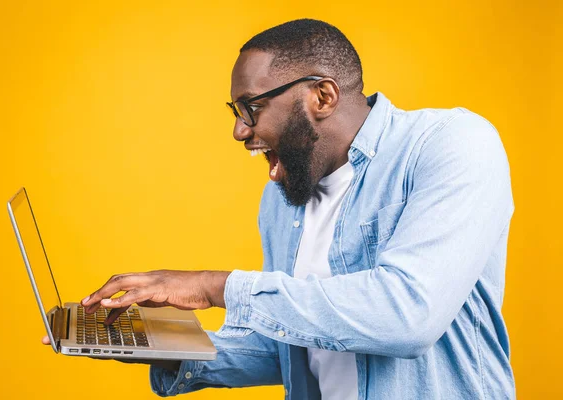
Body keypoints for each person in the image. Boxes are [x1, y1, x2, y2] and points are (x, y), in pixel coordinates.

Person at [43, 19, 516, 399]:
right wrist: (161, 347)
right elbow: (292, 346)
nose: (239, 132)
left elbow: (409, 315)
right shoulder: (283, 196)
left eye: (251, 108)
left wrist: (213, 287)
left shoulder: (453, 145)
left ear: (322, 96)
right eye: (235, 112)